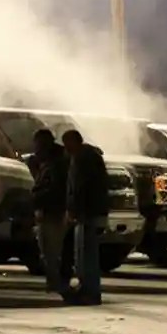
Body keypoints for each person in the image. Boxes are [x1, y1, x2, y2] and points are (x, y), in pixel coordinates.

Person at [63, 129, 108, 305]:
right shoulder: (89, 156)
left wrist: (73, 210)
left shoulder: (83, 159)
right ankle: (88, 289)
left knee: (86, 254)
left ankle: (89, 291)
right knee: (85, 254)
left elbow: (80, 188)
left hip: (87, 213)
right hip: (90, 212)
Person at [30, 129, 69, 294]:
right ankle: (54, 282)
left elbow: (53, 189)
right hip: (50, 211)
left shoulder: (56, 164)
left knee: (52, 251)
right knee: (49, 252)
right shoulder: (50, 162)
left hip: (53, 212)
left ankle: (56, 282)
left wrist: (36, 198)